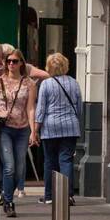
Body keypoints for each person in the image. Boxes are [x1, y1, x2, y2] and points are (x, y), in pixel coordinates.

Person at [0, 47, 37, 218]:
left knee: (19, 169)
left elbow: (30, 108)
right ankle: (8, 201)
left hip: (22, 129)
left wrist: (33, 131)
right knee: (9, 167)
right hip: (5, 128)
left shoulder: (29, 83)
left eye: (15, 61)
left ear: (21, 63)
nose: (11, 64)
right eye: (8, 61)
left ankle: (5, 193)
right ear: (5, 63)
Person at [33, 53, 82, 206]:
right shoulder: (74, 83)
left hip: (50, 127)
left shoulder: (46, 84)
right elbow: (79, 108)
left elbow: (41, 109)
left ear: (49, 67)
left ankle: (49, 195)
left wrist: (35, 130)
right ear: (65, 66)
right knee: (66, 160)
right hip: (70, 126)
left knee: (50, 161)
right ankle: (67, 196)